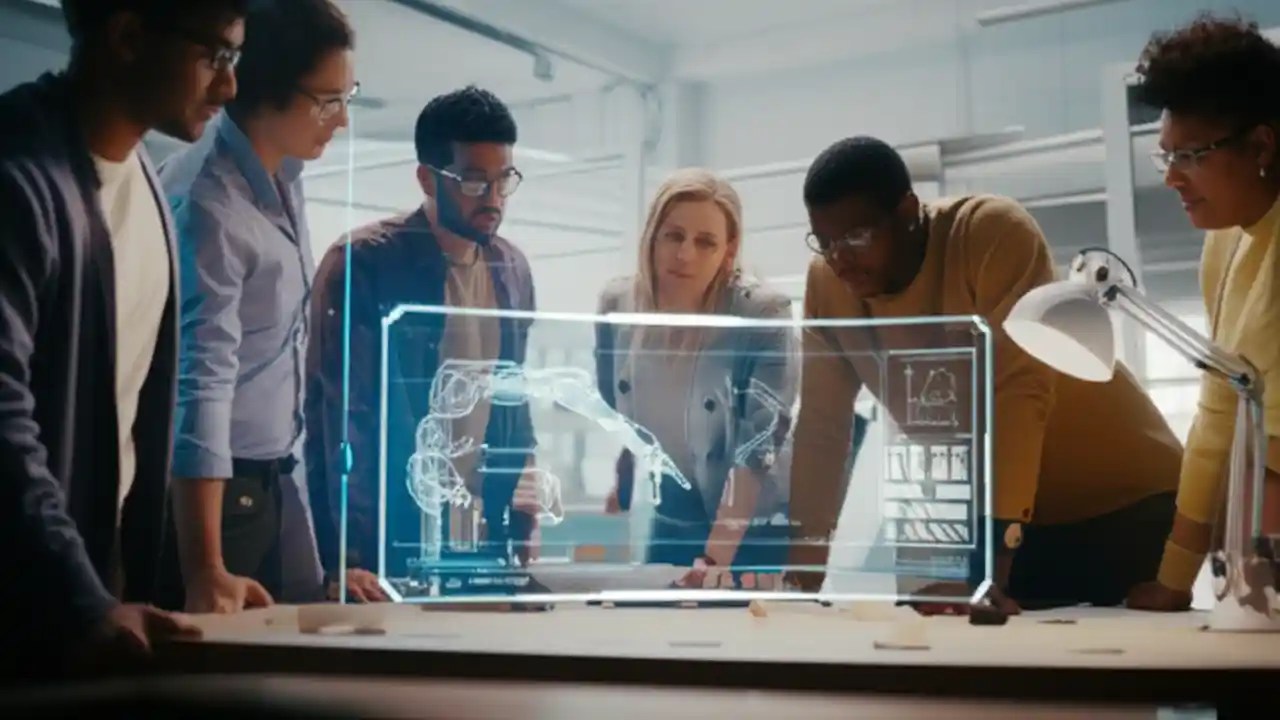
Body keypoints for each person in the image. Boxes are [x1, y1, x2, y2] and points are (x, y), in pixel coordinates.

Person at [786, 136, 1184, 613]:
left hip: (1124, 500)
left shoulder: (989, 233)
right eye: (824, 241)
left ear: (908, 211)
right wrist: (800, 587)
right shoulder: (827, 284)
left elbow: (1017, 395)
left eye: (856, 238)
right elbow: (822, 431)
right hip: (1010, 516)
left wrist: (988, 568)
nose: (838, 259)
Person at [0, 0, 246, 673]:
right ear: (131, 34)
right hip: (32, 621)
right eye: (216, 56)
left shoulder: (143, 181)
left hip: (86, 606)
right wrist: (81, 598)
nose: (228, 85)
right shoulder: (18, 178)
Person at [155, 0, 356, 613]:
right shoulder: (209, 205)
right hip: (219, 493)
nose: (341, 120)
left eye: (348, 97)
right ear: (263, 88)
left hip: (273, 475)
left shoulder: (285, 177)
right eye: (327, 101)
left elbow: (277, 360)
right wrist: (207, 567)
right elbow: (202, 387)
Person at [305, 86, 541, 602]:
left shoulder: (512, 269)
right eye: (475, 180)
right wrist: (345, 557)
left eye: (504, 179)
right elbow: (341, 420)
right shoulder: (364, 264)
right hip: (390, 541)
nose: (494, 199)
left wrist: (521, 514)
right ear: (427, 178)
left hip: (482, 539)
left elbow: (514, 400)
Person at [1126, 15, 1280, 612]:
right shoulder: (1227, 242)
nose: (1171, 178)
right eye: (1165, 155)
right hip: (1255, 525)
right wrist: (1173, 578)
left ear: (1262, 145)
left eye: (1189, 156)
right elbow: (1218, 414)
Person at [595, 168, 797, 589]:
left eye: (705, 242)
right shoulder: (617, 304)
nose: (685, 254)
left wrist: (713, 558)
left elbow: (756, 448)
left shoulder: (762, 315)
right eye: (673, 236)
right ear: (652, 237)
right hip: (674, 511)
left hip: (754, 525)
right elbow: (622, 408)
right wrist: (624, 486)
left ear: (728, 251)